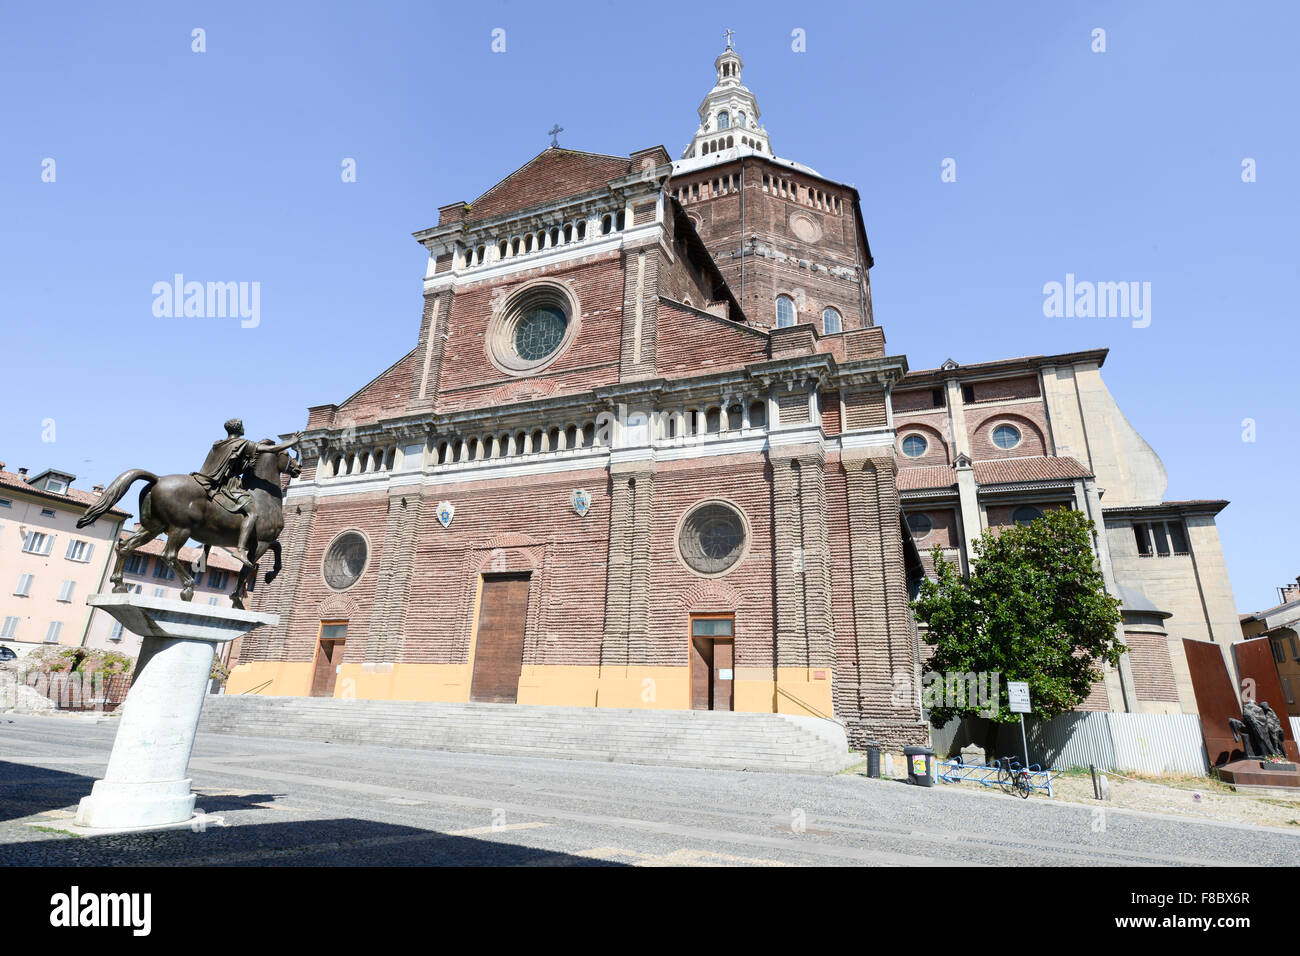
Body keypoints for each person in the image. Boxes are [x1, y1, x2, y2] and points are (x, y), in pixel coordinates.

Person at [192, 418, 300, 569]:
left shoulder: (218, 443)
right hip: (229, 485)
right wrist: (291, 442)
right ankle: (241, 549)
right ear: (238, 429)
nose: (244, 428)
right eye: (242, 426)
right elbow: (269, 450)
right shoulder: (242, 443)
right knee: (252, 513)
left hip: (213, 482)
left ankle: (203, 556)